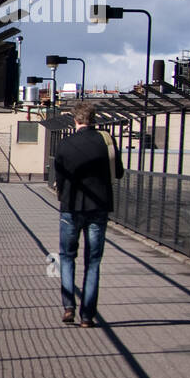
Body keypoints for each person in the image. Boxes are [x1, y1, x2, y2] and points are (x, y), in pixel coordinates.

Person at [54, 100, 124, 327]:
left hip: (71, 208)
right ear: (94, 119)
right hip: (98, 208)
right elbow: (119, 172)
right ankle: (87, 316)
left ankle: (68, 307)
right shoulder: (106, 141)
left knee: (67, 257)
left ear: (75, 120)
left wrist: (63, 195)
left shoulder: (65, 144)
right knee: (93, 262)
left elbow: (60, 179)